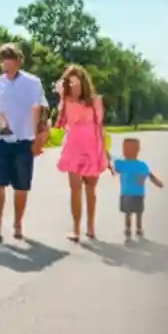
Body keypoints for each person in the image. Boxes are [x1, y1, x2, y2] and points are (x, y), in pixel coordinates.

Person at [0, 43, 48, 243]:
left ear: (18, 61)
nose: (5, 64)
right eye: (2, 60)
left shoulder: (32, 82)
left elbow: (41, 108)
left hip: (23, 140)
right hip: (1, 139)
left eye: (9, 59)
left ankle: (18, 223)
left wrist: (39, 138)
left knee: (21, 187)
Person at [54, 65, 111, 243]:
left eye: (74, 78)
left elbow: (100, 128)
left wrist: (105, 155)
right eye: (68, 79)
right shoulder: (66, 101)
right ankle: (76, 228)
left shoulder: (95, 101)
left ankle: (91, 226)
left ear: (82, 80)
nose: (71, 82)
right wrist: (61, 97)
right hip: (73, 148)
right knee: (75, 189)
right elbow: (59, 124)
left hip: (92, 148)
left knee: (90, 189)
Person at [113, 137, 163, 240]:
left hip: (126, 193)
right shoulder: (141, 165)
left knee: (128, 213)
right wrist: (157, 182)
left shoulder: (122, 164)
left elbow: (115, 168)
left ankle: (128, 228)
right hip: (138, 192)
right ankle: (138, 228)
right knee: (138, 212)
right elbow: (148, 176)